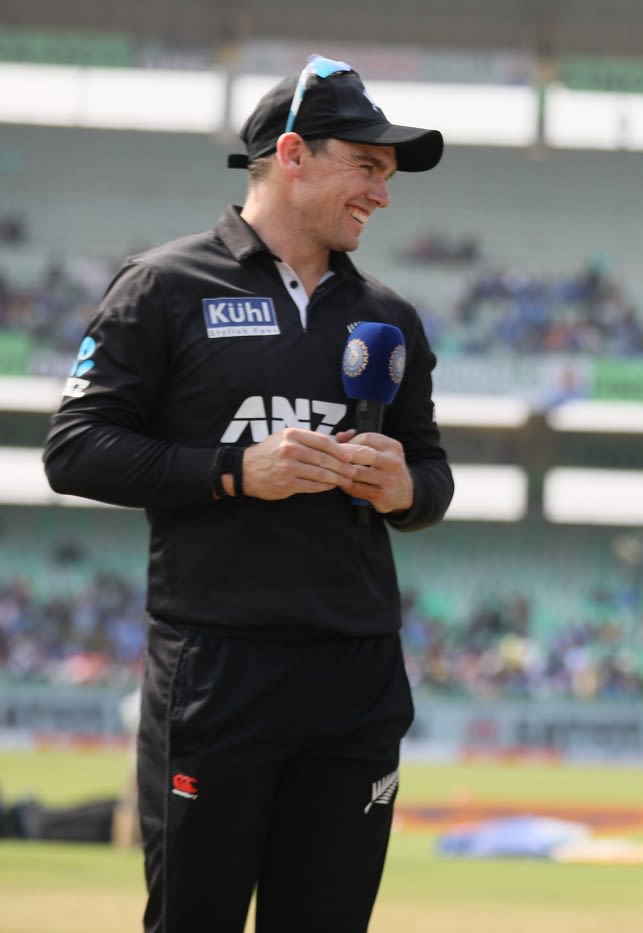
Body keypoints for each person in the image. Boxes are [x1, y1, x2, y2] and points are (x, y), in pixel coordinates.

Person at [43, 54, 454, 933]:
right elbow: (75, 450)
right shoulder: (162, 285)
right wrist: (236, 470)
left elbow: (433, 479)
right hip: (216, 669)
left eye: (387, 174)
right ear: (294, 153)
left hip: (356, 673)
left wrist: (401, 487)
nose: (382, 193)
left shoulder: (389, 315)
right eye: (368, 166)